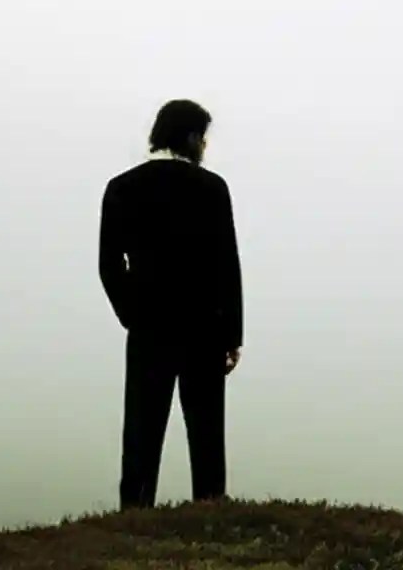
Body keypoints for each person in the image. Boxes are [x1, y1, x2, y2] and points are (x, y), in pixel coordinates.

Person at [98, 99, 243, 510]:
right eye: (204, 137)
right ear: (192, 137)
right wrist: (232, 335)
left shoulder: (122, 187)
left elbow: (109, 265)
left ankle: (135, 514)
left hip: (150, 328)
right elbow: (226, 266)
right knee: (207, 434)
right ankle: (210, 510)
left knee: (142, 432)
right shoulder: (212, 189)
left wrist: (133, 313)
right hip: (205, 328)